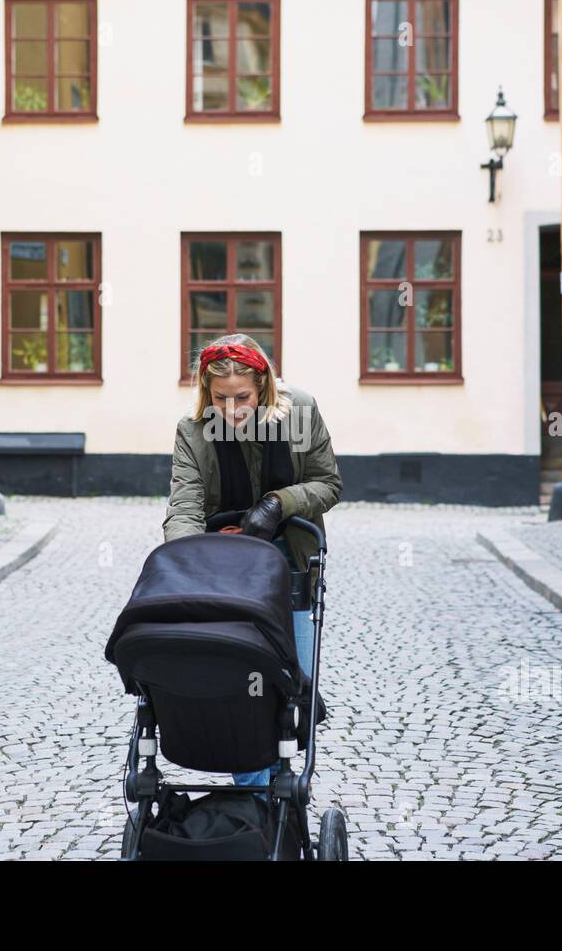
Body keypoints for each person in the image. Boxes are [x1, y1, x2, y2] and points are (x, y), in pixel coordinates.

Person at [162, 333, 342, 790]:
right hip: (223, 563)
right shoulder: (194, 428)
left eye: (242, 397)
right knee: (238, 672)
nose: (232, 409)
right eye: (220, 398)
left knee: (287, 678)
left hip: (290, 559)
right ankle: (255, 792)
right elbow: (185, 506)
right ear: (206, 391)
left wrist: (279, 504)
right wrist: (183, 561)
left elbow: (328, 483)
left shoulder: (299, 411)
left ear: (263, 385)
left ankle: (276, 778)